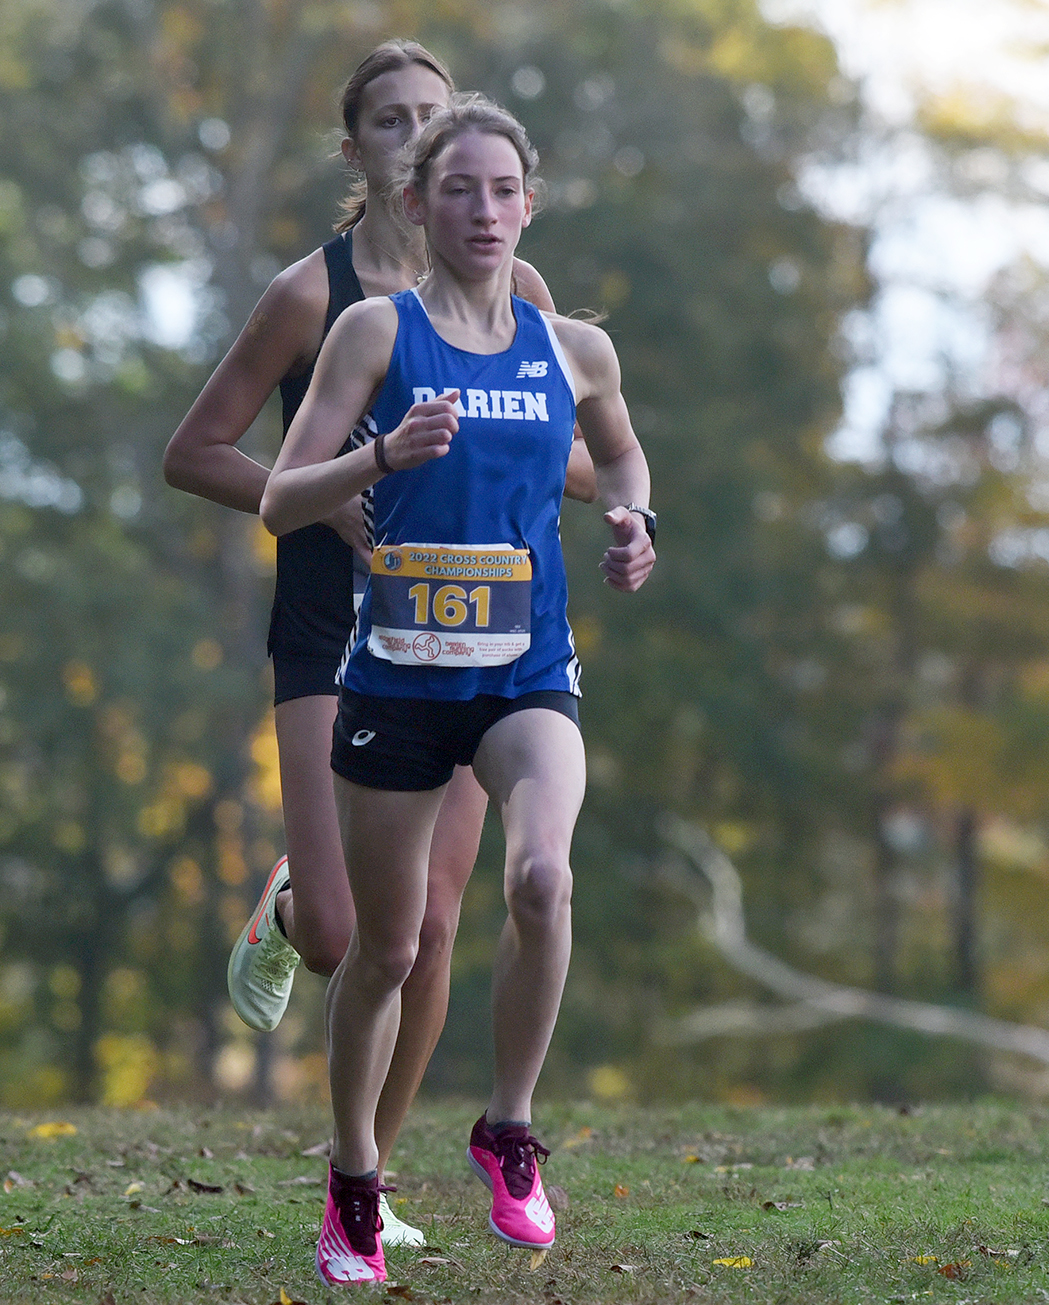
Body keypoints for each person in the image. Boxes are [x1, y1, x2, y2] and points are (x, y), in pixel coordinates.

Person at [162, 41, 592, 1247]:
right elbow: (196, 454)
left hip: (479, 638)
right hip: (335, 626)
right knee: (352, 936)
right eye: (390, 122)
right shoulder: (319, 296)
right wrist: (348, 487)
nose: (416, 136)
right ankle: (295, 899)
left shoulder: (528, 295)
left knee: (438, 924)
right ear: (360, 156)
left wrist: (617, 495)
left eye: (433, 117)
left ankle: (373, 1179)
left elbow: (546, 445)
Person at [261, 93, 655, 1284]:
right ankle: (353, 1177)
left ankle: (510, 1127)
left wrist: (635, 515)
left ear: (530, 204)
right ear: (418, 205)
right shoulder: (373, 335)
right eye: (457, 189)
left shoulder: (574, 347)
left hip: (527, 673)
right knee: (387, 952)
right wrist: (379, 456)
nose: (482, 211)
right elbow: (283, 497)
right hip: (396, 677)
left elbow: (623, 451)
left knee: (542, 876)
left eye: (502, 191)